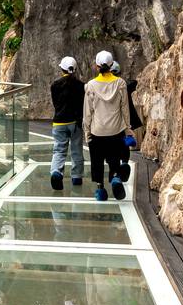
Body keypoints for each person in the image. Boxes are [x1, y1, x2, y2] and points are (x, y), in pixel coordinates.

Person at [83, 50, 131, 201]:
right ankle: (116, 177)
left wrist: (87, 131)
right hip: (116, 130)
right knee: (114, 158)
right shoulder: (120, 83)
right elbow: (125, 108)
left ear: (97, 66)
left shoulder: (90, 85)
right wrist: (128, 128)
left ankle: (100, 189)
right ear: (111, 65)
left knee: (97, 160)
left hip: (97, 131)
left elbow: (88, 112)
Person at [49, 55, 84, 190]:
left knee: (59, 150)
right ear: (75, 69)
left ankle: (57, 172)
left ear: (62, 69)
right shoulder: (81, 86)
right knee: (76, 150)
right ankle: (76, 177)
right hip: (75, 122)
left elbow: (55, 104)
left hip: (59, 122)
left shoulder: (55, 85)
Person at [111, 60, 143, 180]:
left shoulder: (105, 86)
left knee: (113, 145)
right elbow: (134, 83)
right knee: (124, 144)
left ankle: (116, 171)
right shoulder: (124, 85)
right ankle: (124, 163)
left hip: (112, 121)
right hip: (125, 121)